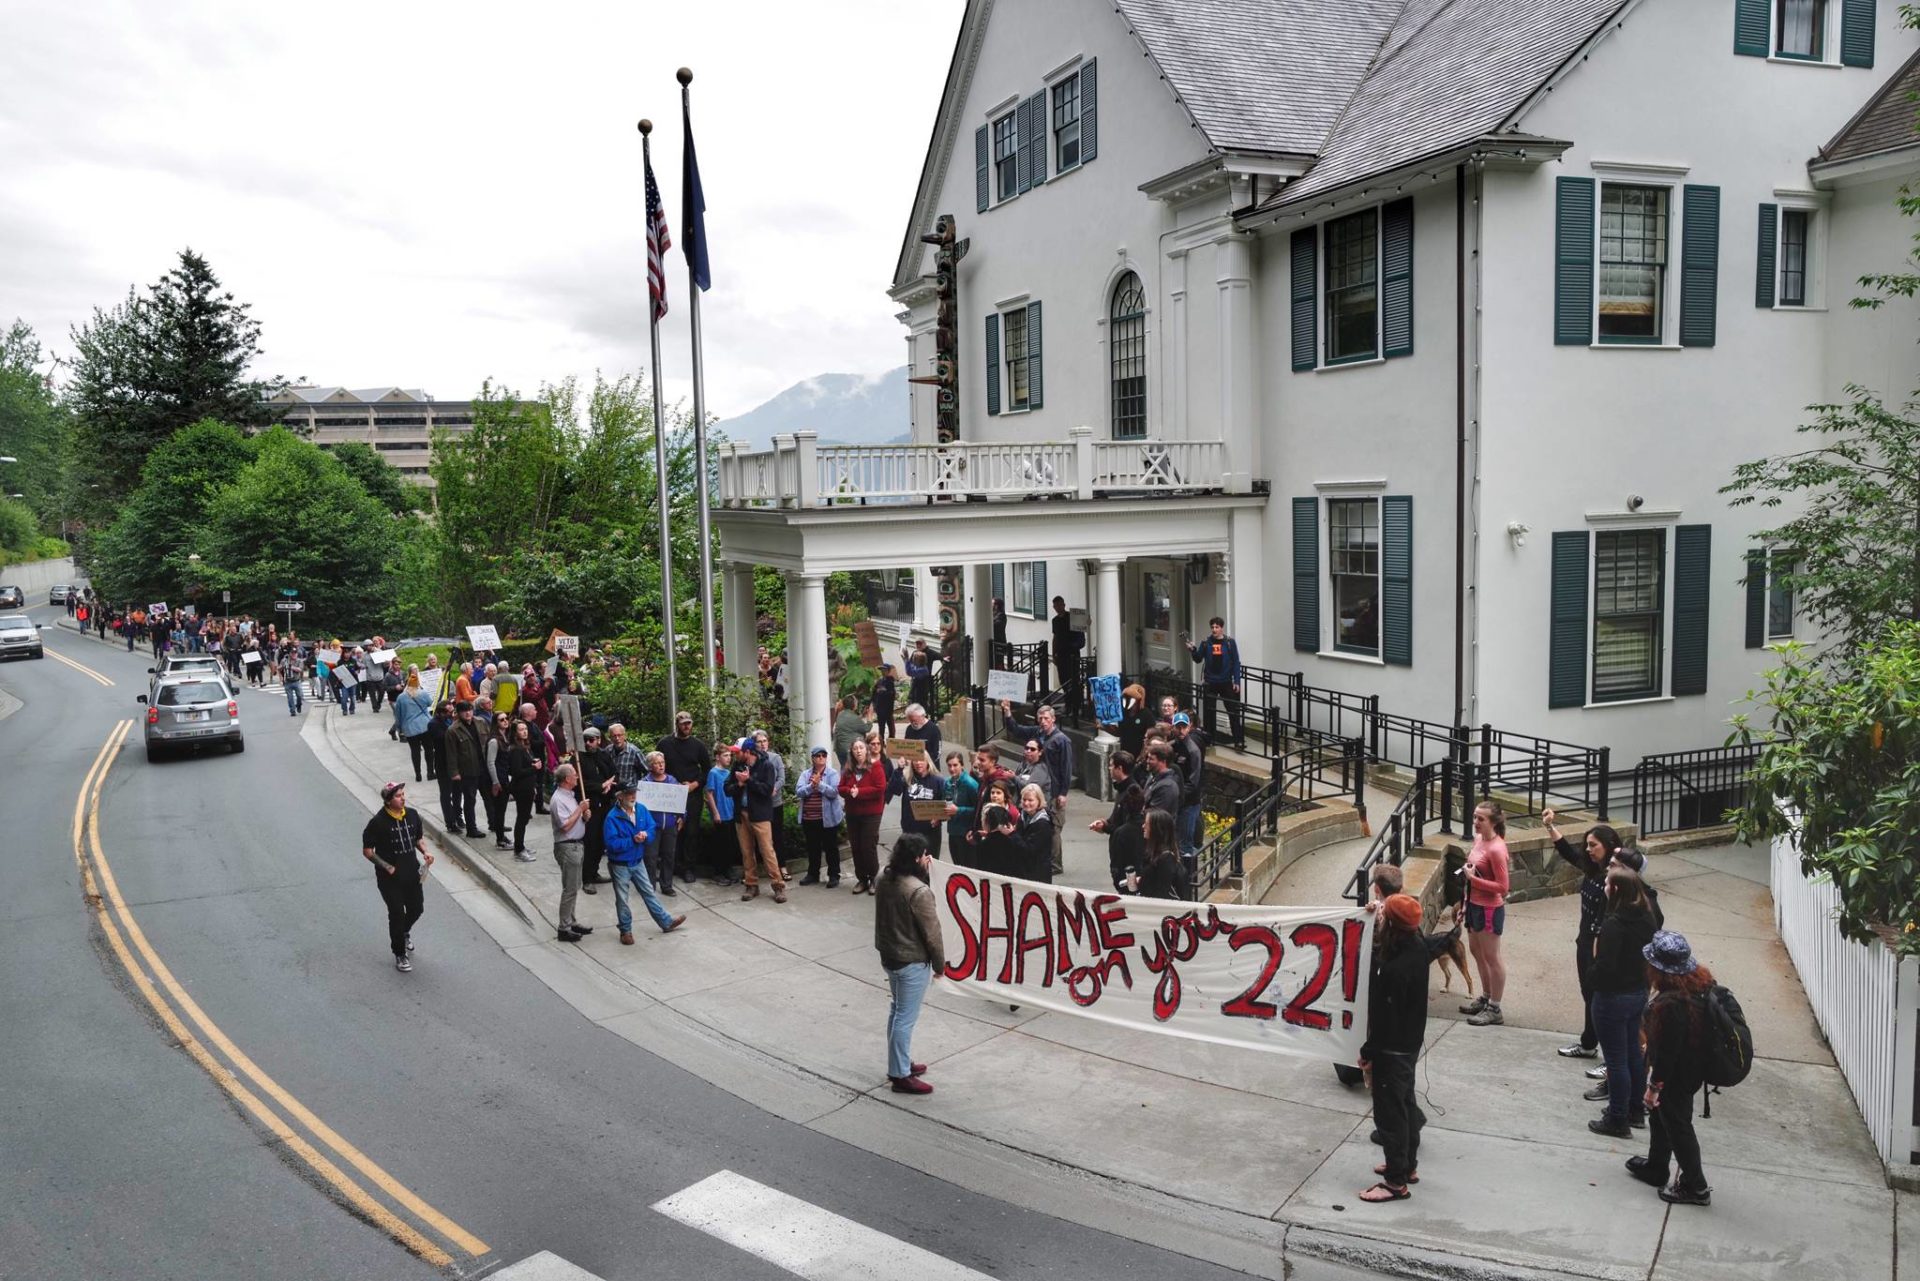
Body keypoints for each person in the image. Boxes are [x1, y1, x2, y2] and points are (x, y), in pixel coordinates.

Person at [1633, 930, 1715, 1206]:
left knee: (1678, 1126)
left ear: (1660, 968)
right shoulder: (1699, 984)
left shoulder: (1672, 1005)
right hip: (1692, 1069)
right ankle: (1656, 1166)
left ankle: (1696, 1186)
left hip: (1678, 1075)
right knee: (1662, 1118)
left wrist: (1654, 1087)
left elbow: (1667, 1055)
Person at [1357, 894, 1430, 1203]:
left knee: (1390, 1115)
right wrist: (1378, 914)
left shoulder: (1395, 968)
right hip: (1409, 1045)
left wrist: (1368, 1051)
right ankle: (1406, 1165)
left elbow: (1385, 1020)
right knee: (1405, 1105)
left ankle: (1395, 1183)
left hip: (1392, 1049)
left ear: (1393, 927)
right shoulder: (1417, 947)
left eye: (1385, 915)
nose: (1381, 917)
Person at [1545, 807, 1626, 1062]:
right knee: (1589, 995)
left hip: (1601, 950)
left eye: (1593, 845)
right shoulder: (1592, 868)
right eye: (1587, 845)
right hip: (1585, 944)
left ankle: (1613, 1058)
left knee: (1603, 1001)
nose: (1588, 850)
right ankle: (1589, 1044)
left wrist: (1599, 951)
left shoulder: (1616, 878)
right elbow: (1569, 852)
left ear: (1610, 847)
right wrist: (1549, 826)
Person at [1589, 866, 1659, 1137]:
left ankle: (1617, 1118)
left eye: (1607, 883)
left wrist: (1590, 975)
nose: (1604, 886)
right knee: (1632, 1053)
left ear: (1615, 890)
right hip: (1638, 993)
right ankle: (1635, 1111)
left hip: (1613, 998)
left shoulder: (1614, 924)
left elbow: (1604, 966)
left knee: (1616, 1059)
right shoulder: (1647, 919)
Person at [874, 833, 944, 1096]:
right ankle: (900, 1074)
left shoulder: (884, 876)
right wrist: (940, 965)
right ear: (916, 858)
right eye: (925, 856)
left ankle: (900, 1063)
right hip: (910, 959)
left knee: (897, 1010)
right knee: (905, 1016)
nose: (927, 860)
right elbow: (932, 933)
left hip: (889, 954)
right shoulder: (918, 890)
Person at [361, 781, 434, 973]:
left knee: (417, 908)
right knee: (396, 914)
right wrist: (386, 866)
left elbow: (417, 838)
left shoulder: (412, 815)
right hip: (389, 878)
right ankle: (399, 953)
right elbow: (368, 851)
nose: (403, 798)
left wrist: (425, 852)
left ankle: (404, 932)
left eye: (403, 794)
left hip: (411, 872)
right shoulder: (377, 822)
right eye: (398, 796)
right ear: (388, 800)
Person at [602, 782, 686, 944]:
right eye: (629, 793)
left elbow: (651, 827)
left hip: (637, 861)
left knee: (649, 892)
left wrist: (646, 835)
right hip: (620, 864)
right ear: (620, 797)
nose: (633, 796)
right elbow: (611, 844)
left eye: (634, 792)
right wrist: (633, 840)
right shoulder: (612, 817)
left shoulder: (641, 809)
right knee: (622, 899)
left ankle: (666, 922)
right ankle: (625, 931)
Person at [1000, 699, 1071, 874]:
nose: (1043, 721)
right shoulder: (1037, 733)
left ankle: (1055, 865)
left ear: (1053, 719)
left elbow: (1066, 767)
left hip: (1053, 790)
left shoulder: (1062, 740)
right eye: (1040, 718)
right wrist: (1007, 712)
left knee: (1053, 828)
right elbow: (1016, 730)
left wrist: (1063, 793)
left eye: (1046, 718)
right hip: (1038, 789)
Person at [1456, 801, 1511, 1027]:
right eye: (1475, 817)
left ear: (1494, 822)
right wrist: (1465, 901)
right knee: (1476, 952)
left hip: (1490, 907)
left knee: (1492, 957)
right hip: (1474, 904)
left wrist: (1473, 880)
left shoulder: (1497, 849)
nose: (1476, 822)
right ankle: (1486, 996)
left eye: (1481, 819)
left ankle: (1495, 1008)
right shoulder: (1479, 840)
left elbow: (1503, 887)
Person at [727, 737, 787, 902]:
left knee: (767, 851)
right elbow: (727, 789)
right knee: (746, 852)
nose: (734, 755)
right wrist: (739, 785)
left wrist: (748, 781)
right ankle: (751, 884)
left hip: (760, 815)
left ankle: (778, 886)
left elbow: (767, 790)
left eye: (737, 752)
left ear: (747, 752)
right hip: (742, 814)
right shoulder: (737, 766)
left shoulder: (766, 765)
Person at [658, 711, 711, 881]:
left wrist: (695, 784)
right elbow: (657, 765)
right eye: (683, 723)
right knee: (671, 830)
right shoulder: (665, 744)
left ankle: (689, 867)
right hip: (670, 794)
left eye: (689, 723)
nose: (686, 726)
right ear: (677, 724)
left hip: (692, 794)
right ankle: (671, 865)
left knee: (691, 831)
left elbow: (707, 770)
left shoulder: (698, 745)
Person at [549, 763, 594, 943]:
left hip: (577, 845)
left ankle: (571, 921)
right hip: (567, 847)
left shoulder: (570, 796)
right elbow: (565, 825)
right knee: (570, 888)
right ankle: (564, 928)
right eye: (574, 774)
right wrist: (580, 810)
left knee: (575, 886)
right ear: (567, 779)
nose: (577, 777)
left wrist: (584, 816)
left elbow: (575, 820)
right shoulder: (558, 799)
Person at [1184, 616, 1244, 748]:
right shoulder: (1206, 643)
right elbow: (1198, 659)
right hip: (1210, 682)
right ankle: (1208, 740)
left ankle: (1238, 740)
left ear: (1222, 628)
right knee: (1209, 712)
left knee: (1233, 711)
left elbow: (1236, 663)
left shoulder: (1229, 643)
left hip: (1226, 682)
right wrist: (1192, 650)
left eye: (1217, 627)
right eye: (1212, 627)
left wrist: (1237, 681)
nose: (1214, 629)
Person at [838, 737, 888, 894]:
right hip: (853, 814)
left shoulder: (876, 767)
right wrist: (849, 792)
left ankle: (874, 878)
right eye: (855, 748)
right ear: (851, 752)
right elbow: (840, 788)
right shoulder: (848, 769)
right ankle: (862, 879)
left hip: (871, 813)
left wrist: (859, 792)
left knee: (868, 846)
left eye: (861, 748)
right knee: (856, 847)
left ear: (866, 750)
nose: (858, 751)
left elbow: (880, 788)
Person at [1090, 765, 1146, 892]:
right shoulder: (1145, 826)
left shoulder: (1122, 833)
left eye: (1111, 765)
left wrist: (1118, 880)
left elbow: (1116, 863)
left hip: (1128, 879)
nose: (1109, 768)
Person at [795, 747, 845, 887]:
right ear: (813, 758)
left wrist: (820, 784)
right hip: (809, 818)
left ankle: (834, 875)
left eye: (823, 755)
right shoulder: (805, 774)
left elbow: (835, 792)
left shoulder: (832, 773)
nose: (821, 758)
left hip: (827, 819)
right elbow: (799, 791)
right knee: (812, 848)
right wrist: (812, 786)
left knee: (831, 848)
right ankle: (813, 874)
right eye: (818, 755)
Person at [887, 751, 948, 859]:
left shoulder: (938, 781)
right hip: (910, 832)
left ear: (928, 762)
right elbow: (894, 790)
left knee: (929, 866)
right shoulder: (907, 778)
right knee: (909, 864)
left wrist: (939, 818)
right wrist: (899, 770)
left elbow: (946, 805)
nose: (918, 763)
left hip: (930, 833)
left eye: (922, 760)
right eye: (915, 760)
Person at [641, 751, 684, 895]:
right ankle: (649, 887)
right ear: (650, 766)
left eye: (662, 762)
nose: (661, 765)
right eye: (656, 763)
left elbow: (681, 801)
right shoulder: (645, 783)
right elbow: (639, 807)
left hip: (670, 826)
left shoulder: (672, 781)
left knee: (668, 856)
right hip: (652, 828)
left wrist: (682, 816)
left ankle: (667, 885)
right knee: (650, 857)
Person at [444, 701, 489, 838]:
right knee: (470, 800)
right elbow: (451, 753)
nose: (468, 713)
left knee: (489, 798)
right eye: (464, 711)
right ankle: (471, 828)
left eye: (470, 710)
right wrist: (454, 772)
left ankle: (493, 823)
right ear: (458, 713)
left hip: (484, 766)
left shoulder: (481, 722)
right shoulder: (453, 730)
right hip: (467, 770)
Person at [578, 727, 614, 894]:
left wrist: (610, 785)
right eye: (585, 739)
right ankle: (587, 879)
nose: (588, 743)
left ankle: (594, 872)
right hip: (590, 805)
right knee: (590, 842)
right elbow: (579, 783)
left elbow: (614, 774)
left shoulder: (604, 755)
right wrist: (600, 786)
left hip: (605, 804)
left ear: (599, 740)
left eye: (591, 740)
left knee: (601, 841)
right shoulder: (578, 758)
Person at [1127, 808, 1191, 900]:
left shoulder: (1166, 859)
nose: (1143, 826)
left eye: (1147, 823)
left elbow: (1161, 893)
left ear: (1156, 828)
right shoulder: (1157, 854)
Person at [501, 719, 542, 860]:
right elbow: (517, 771)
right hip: (521, 788)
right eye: (521, 729)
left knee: (523, 819)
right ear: (515, 732)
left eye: (525, 729)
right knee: (522, 818)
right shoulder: (516, 749)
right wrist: (533, 767)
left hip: (528, 786)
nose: (525, 731)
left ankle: (521, 846)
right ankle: (519, 849)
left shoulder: (524, 747)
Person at [1170, 713, 1206, 864]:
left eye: (1183, 727)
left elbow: (1193, 782)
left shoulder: (1193, 750)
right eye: (1178, 727)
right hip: (1178, 801)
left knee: (1186, 842)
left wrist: (1177, 794)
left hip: (1189, 803)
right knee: (1177, 840)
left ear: (1189, 727)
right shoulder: (1172, 746)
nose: (1181, 730)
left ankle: (1189, 878)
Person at [703, 742, 738, 886]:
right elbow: (709, 794)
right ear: (717, 757)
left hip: (731, 812)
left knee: (730, 844)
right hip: (721, 813)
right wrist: (715, 812)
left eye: (730, 755)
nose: (728, 758)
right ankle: (718, 872)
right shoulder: (713, 773)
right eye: (725, 755)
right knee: (720, 845)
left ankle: (728, 869)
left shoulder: (729, 773)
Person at [394, 668, 436, 782]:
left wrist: (399, 729)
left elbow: (398, 715)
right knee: (429, 749)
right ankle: (430, 772)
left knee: (415, 751)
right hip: (425, 725)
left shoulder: (401, 698)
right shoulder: (423, 693)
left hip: (410, 728)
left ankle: (418, 774)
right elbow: (430, 702)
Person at [1049, 595, 1084, 720]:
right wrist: (1053, 654)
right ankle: (1068, 704)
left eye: (1060, 605)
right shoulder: (1055, 621)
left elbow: (1083, 629)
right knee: (1063, 680)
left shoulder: (1072, 617)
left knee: (1074, 679)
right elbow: (1055, 637)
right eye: (1055, 606)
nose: (1058, 608)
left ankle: (1076, 705)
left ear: (1064, 605)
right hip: (1061, 654)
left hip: (1073, 654)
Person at [1011, 783, 1054, 882]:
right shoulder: (1022, 817)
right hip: (1023, 870)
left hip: (1037, 873)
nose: (1026, 803)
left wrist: (1012, 834)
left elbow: (1030, 850)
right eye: (1024, 800)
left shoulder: (1043, 824)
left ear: (1039, 801)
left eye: (1030, 800)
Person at [832, 695, 868, 768]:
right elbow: (866, 728)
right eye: (856, 703)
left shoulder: (841, 714)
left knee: (843, 768)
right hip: (848, 749)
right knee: (852, 770)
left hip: (839, 748)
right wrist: (869, 718)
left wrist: (862, 715)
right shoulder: (854, 717)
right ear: (854, 705)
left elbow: (852, 722)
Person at [901, 702, 942, 767]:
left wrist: (925, 763)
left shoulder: (933, 729)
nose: (913, 723)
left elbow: (937, 753)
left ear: (923, 716)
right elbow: (906, 748)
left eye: (915, 720)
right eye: (911, 721)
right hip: (914, 768)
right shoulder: (909, 729)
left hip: (931, 768)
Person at [902, 639, 936, 712]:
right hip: (915, 693)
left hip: (920, 695)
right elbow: (910, 666)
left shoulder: (923, 670)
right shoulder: (918, 666)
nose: (913, 659)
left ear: (918, 660)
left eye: (914, 658)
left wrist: (907, 659)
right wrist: (905, 659)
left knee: (919, 710)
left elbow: (909, 672)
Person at [870, 663, 898, 742]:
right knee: (881, 726)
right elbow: (874, 693)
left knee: (890, 725)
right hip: (880, 708)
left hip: (888, 708)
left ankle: (892, 741)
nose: (882, 671)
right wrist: (874, 703)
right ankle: (881, 741)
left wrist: (883, 691)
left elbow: (892, 694)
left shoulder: (890, 681)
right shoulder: (879, 681)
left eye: (884, 670)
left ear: (888, 671)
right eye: (881, 670)